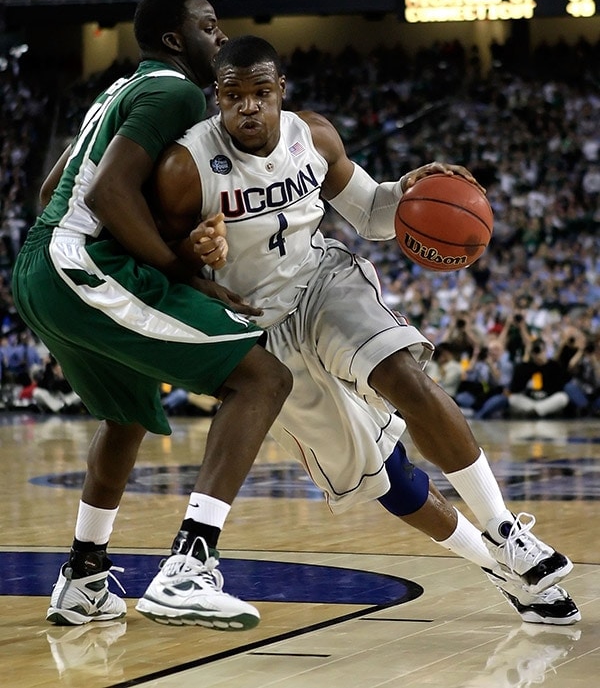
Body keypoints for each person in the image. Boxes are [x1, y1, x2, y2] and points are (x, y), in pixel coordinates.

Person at [148, 35, 579, 625]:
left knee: (401, 371)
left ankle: (507, 533)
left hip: (321, 280)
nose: (247, 107)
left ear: (281, 93)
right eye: (232, 96)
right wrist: (191, 256)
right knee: (386, 478)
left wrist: (407, 192)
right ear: (216, 99)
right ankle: (502, 571)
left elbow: (373, 214)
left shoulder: (314, 136)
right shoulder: (186, 165)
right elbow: (162, 257)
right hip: (261, 331)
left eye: (260, 93)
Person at [10, 0, 293, 631]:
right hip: (80, 264)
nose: (220, 39)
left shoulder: (119, 91)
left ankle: (84, 577)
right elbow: (110, 191)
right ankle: (189, 567)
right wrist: (179, 269)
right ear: (174, 40)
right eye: (208, 27)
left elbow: (54, 188)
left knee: (125, 416)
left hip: (44, 265)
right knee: (262, 378)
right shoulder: (178, 94)